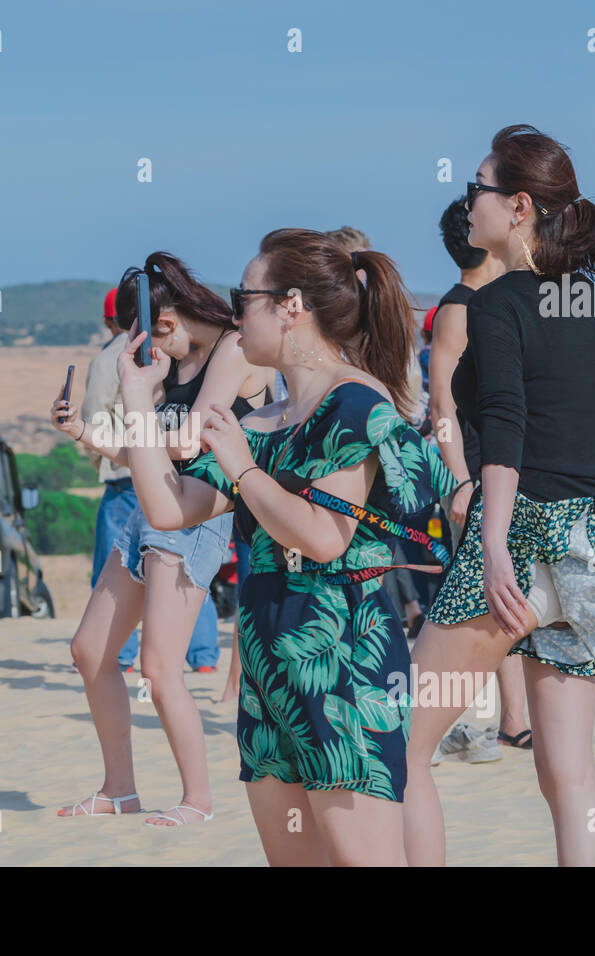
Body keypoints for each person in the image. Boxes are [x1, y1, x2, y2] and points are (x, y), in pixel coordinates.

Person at [119, 228, 453, 864]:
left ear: (290, 306)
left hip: (344, 664)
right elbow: (169, 508)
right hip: (270, 670)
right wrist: (138, 402)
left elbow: (326, 537)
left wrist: (245, 471)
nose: (232, 312)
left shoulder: (353, 403)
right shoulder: (261, 423)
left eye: (244, 296)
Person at [406, 125, 595, 867]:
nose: (468, 205)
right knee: (570, 773)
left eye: (478, 189)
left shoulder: (497, 304)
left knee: (405, 750)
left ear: (519, 206)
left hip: (521, 533)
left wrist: (492, 545)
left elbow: (506, 427)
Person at [49, 251, 272, 826]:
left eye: (148, 336)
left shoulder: (233, 347)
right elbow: (143, 452)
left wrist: (137, 400)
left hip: (198, 512)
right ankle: (119, 789)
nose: (149, 352)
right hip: (151, 509)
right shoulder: (170, 364)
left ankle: (197, 800)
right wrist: (82, 431)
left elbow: (191, 440)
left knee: (159, 667)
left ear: (165, 321)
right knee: (89, 650)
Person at [427, 198, 530, 756]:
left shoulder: (499, 301)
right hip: (475, 470)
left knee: (503, 598)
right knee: (477, 602)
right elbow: (441, 404)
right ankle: (493, 720)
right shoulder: (459, 309)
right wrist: (461, 480)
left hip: (507, 467)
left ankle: (513, 719)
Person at [83, 289, 228, 674]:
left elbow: (97, 413)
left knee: (121, 575)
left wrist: (102, 452)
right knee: (186, 581)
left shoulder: (115, 357)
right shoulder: (183, 358)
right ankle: (202, 657)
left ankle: (123, 655)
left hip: (134, 479)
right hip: (181, 482)